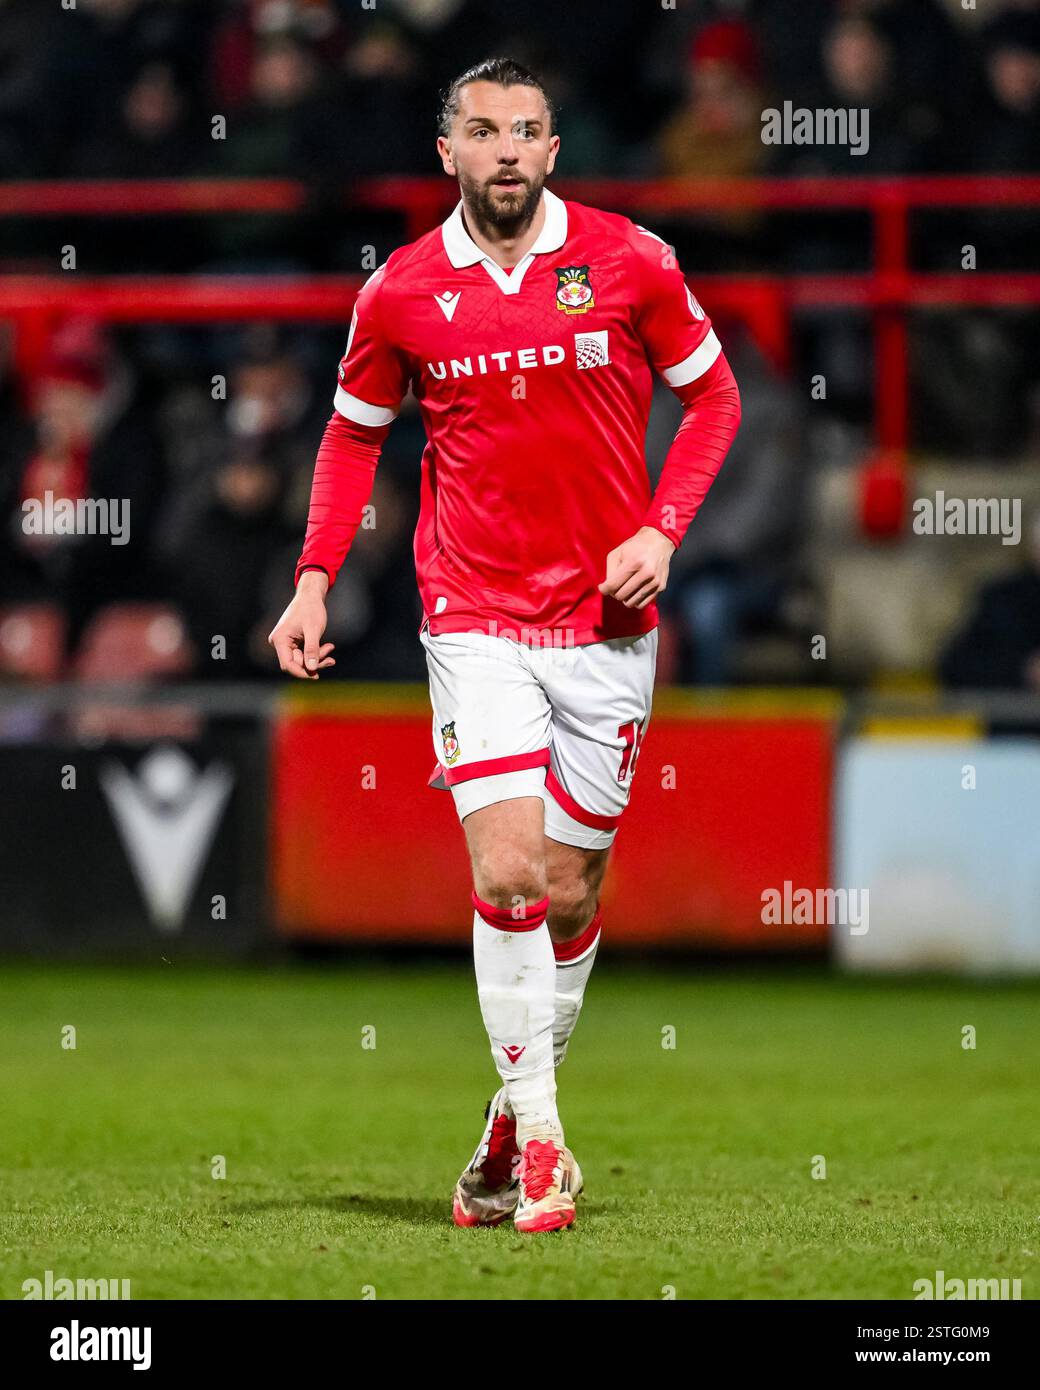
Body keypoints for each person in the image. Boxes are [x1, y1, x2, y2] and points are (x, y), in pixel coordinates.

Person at [267, 57, 741, 1234]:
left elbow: (716, 400)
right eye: (483, 132)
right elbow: (349, 439)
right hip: (471, 613)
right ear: (449, 152)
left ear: (552, 148)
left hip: (606, 624)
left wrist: (661, 528)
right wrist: (314, 579)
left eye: (527, 130)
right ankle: (541, 1142)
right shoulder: (402, 293)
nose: (508, 151)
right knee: (509, 874)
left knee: (573, 893)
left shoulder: (629, 260)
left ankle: (503, 1110)